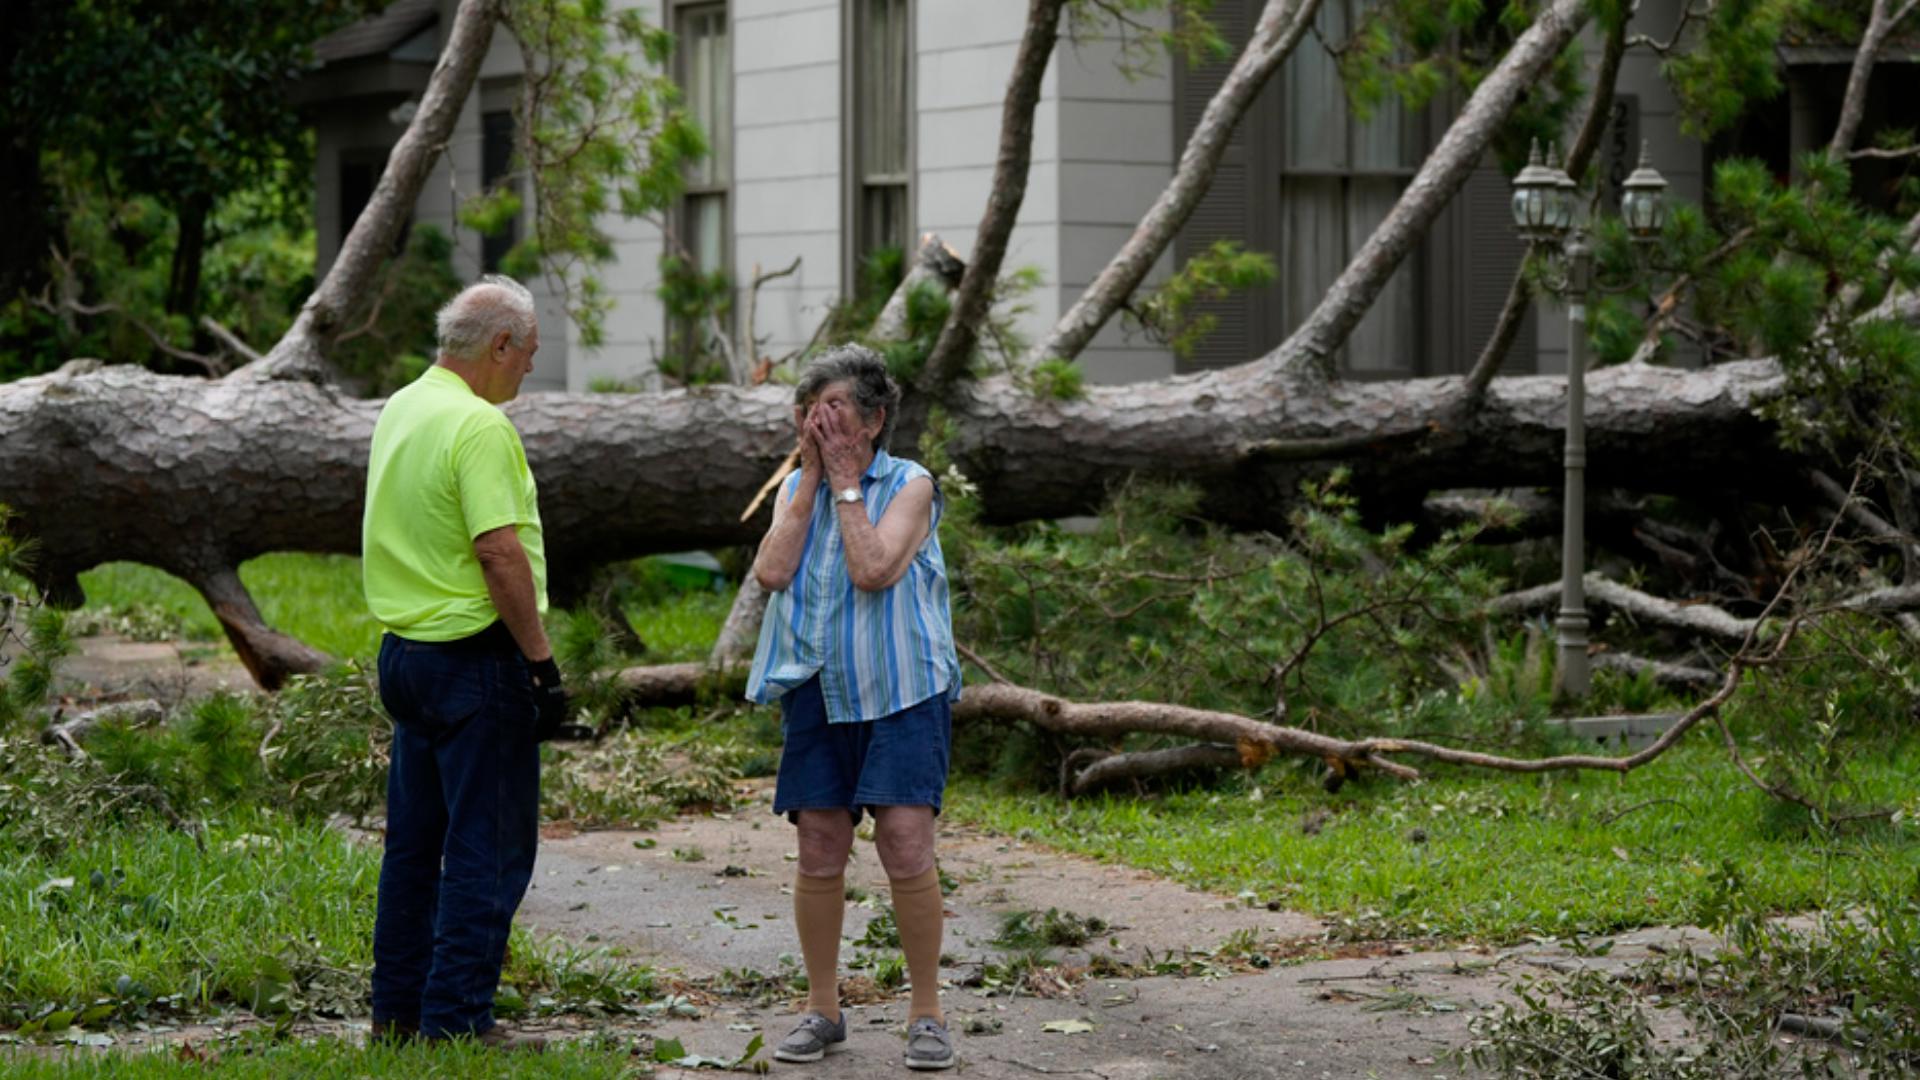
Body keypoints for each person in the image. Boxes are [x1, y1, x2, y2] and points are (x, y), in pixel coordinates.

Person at [360, 275, 567, 1051]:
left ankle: (397, 1013)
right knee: (491, 844)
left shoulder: (403, 406)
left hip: (405, 654)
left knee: (414, 848)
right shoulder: (480, 426)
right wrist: (541, 665)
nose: (532, 367)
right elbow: (497, 550)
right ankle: (457, 1021)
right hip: (474, 660)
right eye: (530, 351)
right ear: (500, 345)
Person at [746, 345, 963, 1072]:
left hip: (902, 689)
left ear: (873, 420)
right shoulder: (795, 487)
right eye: (812, 411)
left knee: (904, 842)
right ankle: (822, 1009)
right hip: (817, 686)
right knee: (818, 844)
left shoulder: (911, 485)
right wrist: (813, 478)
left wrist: (845, 483)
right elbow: (772, 571)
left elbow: (873, 569)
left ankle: (926, 1014)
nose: (822, 422)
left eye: (836, 408)